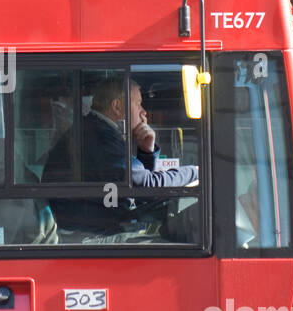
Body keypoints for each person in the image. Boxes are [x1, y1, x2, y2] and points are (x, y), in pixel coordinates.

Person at [42, 76, 198, 234]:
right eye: (138, 104)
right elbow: (148, 186)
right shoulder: (100, 137)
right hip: (88, 233)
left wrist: (146, 151)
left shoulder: (95, 129)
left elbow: (141, 192)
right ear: (117, 106)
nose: (144, 112)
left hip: (92, 226)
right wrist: (197, 172)